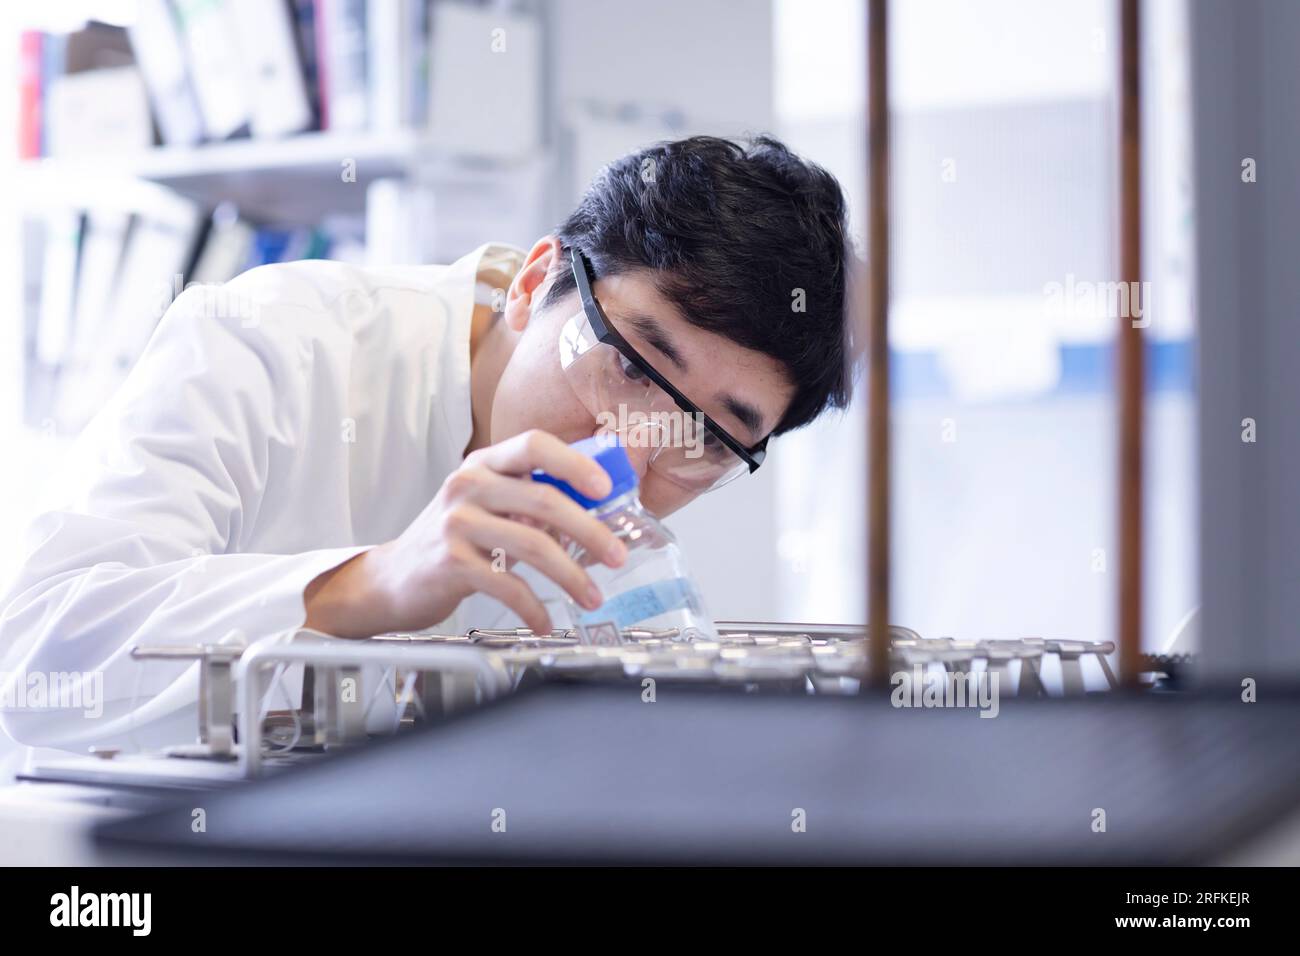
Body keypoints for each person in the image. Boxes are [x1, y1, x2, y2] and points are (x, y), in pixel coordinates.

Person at [0, 135, 851, 753]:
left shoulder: (630, 548)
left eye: (703, 436)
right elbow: (31, 658)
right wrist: (367, 583)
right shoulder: (269, 339)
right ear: (533, 280)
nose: (632, 449)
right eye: (629, 364)